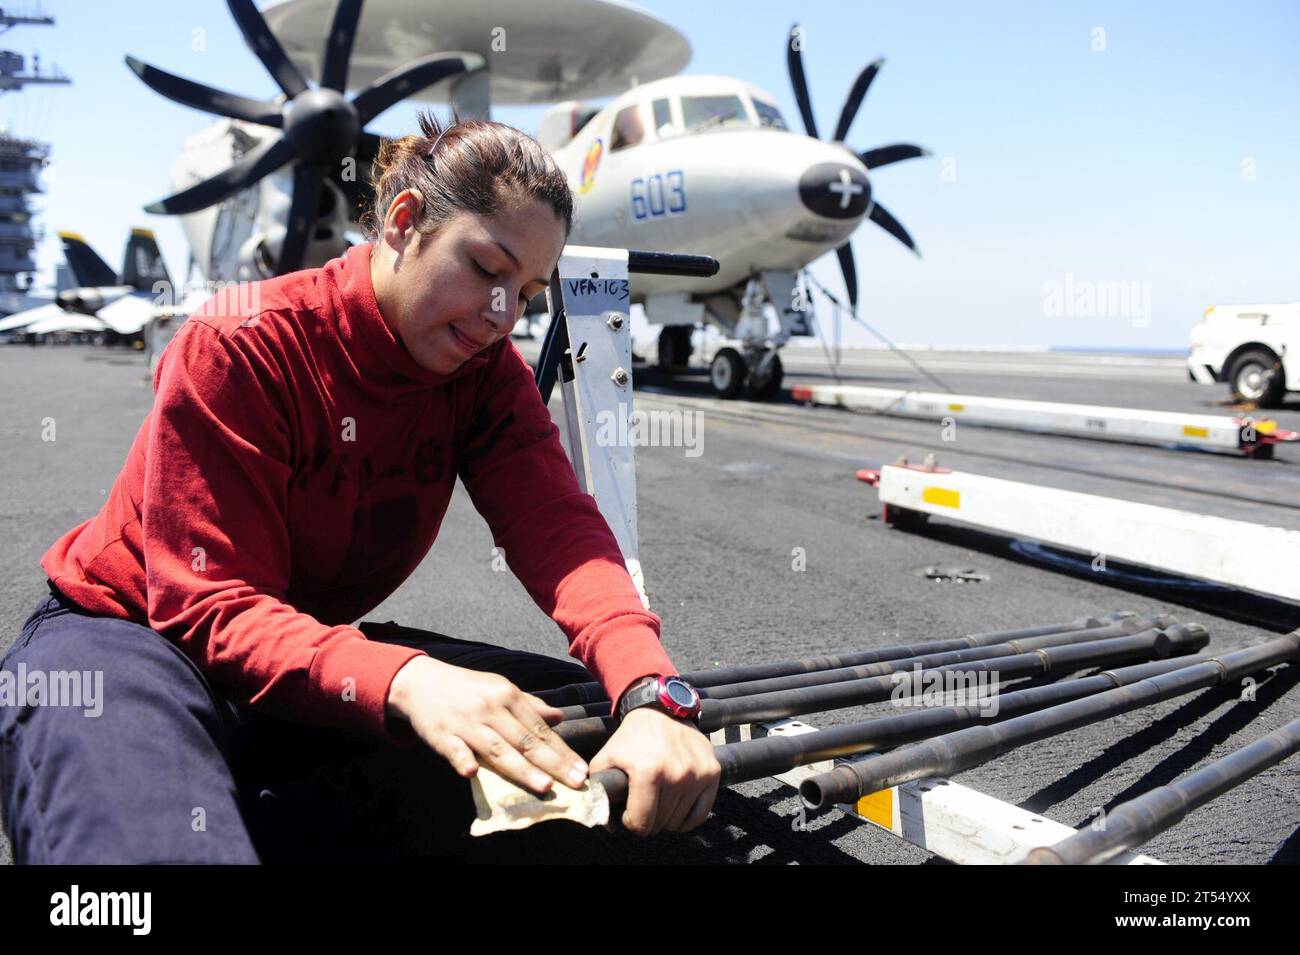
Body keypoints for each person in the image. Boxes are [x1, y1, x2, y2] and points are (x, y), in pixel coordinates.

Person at [0, 112, 720, 864]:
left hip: (292, 647)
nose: (503, 314)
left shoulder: (483, 375)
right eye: (485, 268)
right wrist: (405, 679)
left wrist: (649, 689)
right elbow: (208, 603)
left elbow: (560, 529)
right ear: (405, 222)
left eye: (528, 291)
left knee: (609, 753)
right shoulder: (241, 343)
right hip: (132, 636)